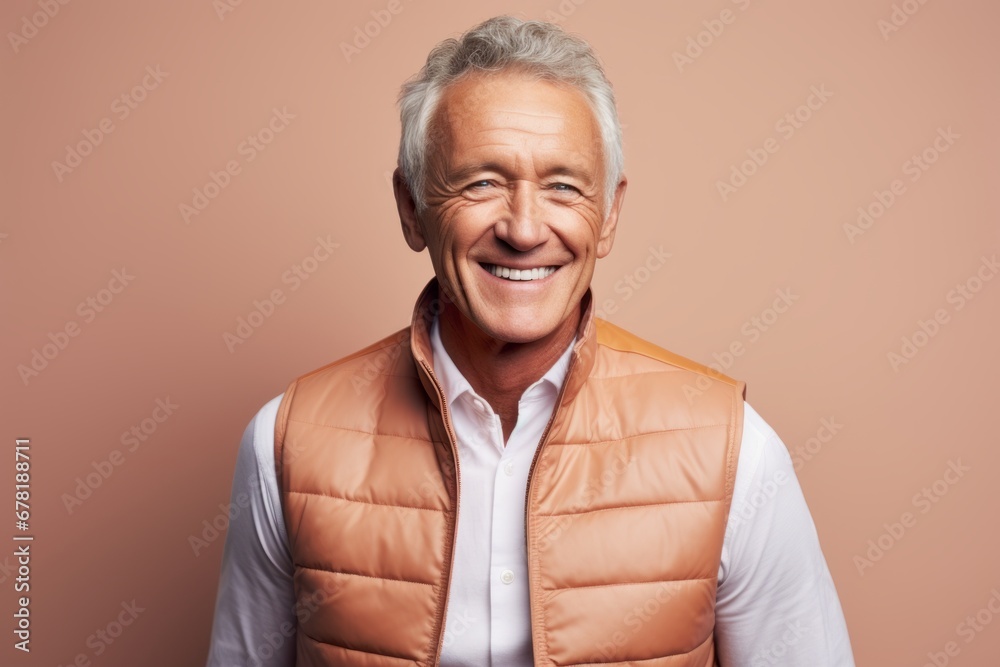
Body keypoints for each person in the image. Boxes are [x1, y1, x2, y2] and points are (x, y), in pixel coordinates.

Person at [205, 15, 855, 667]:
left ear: (610, 216)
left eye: (563, 187)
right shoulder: (286, 442)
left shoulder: (735, 452)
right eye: (482, 181)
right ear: (411, 208)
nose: (523, 228)